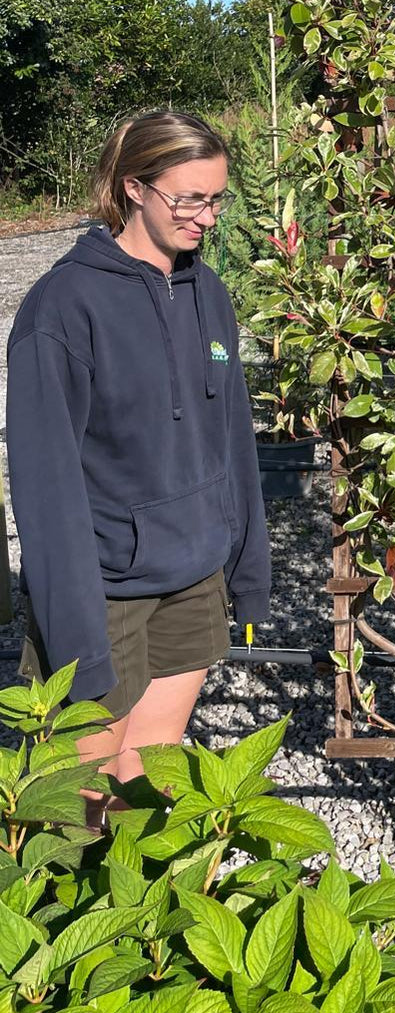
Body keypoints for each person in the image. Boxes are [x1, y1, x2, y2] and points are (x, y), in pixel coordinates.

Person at [6, 110, 271, 813]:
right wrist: (75, 633)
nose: (207, 218)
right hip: (105, 592)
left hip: (193, 576)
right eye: (189, 198)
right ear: (134, 188)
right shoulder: (62, 308)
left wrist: (246, 569)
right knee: (74, 794)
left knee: (149, 776)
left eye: (216, 198)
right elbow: (46, 485)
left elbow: (232, 438)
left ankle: (143, 912)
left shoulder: (207, 292)